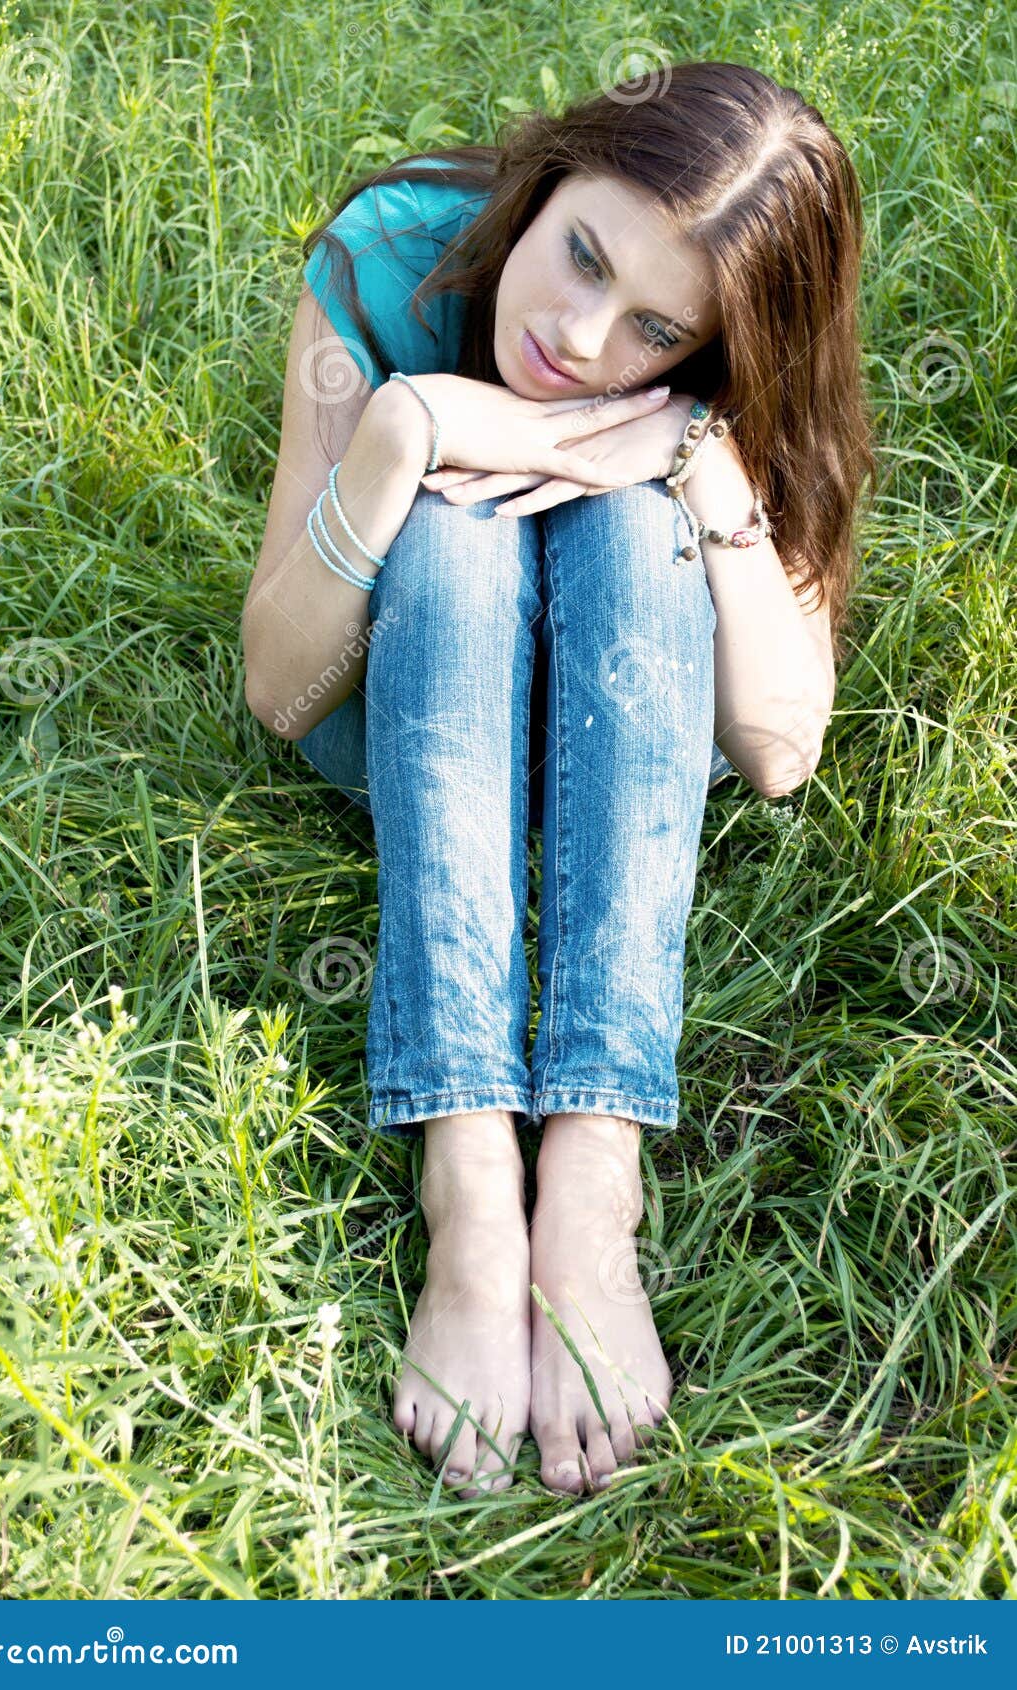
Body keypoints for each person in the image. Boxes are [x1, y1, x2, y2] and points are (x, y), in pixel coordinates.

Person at [241, 60, 876, 1502]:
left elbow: (778, 749)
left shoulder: (740, 372)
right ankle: (470, 1185)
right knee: (460, 546)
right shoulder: (395, 249)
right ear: (553, 175)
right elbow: (282, 687)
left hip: (629, 712)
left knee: (633, 550)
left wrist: (696, 462)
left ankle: (591, 1182)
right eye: (581, 253)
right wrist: (408, 434)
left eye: (656, 328)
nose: (579, 339)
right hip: (403, 686)